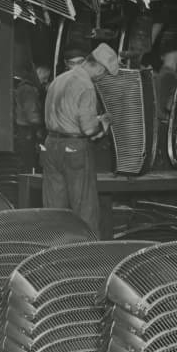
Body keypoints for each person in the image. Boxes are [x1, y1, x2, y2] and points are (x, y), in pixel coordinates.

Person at [42, 43, 119, 233]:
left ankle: (52, 252)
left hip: (51, 145)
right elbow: (88, 129)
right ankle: (88, 255)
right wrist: (104, 122)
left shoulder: (59, 79)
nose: (102, 78)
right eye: (104, 74)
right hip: (74, 147)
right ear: (99, 67)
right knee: (84, 207)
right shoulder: (86, 85)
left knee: (54, 207)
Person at [153, 43, 177, 170]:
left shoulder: (159, 74)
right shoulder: (169, 76)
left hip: (159, 123)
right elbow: (169, 106)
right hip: (165, 124)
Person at [13, 71, 44, 173]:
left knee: (25, 161)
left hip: (24, 130)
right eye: (45, 76)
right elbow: (32, 114)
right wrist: (41, 128)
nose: (45, 81)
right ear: (38, 71)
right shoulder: (28, 90)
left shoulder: (23, 87)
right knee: (28, 162)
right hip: (28, 131)